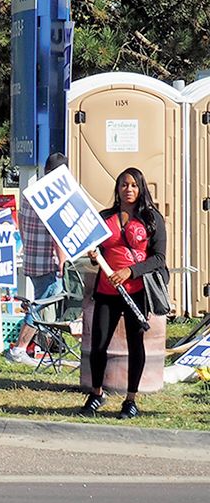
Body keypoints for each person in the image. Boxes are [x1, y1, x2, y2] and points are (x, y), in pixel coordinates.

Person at [80, 167, 166, 419]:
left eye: (133, 185)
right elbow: (97, 253)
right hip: (107, 291)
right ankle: (96, 394)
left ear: (141, 189)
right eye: (123, 185)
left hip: (137, 292)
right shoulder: (104, 217)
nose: (128, 189)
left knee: (135, 345)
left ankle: (131, 399)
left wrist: (131, 272)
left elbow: (159, 258)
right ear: (117, 189)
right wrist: (94, 257)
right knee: (98, 344)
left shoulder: (151, 218)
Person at [5, 152, 68, 364]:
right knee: (41, 305)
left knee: (41, 303)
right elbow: (57, 233)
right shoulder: (54, 195)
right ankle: (20, 349)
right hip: (47, 261)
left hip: (32, 258)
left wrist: (27, 246)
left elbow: (21, 221)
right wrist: (62, 262)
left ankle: (42, 346)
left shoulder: (30, 192)